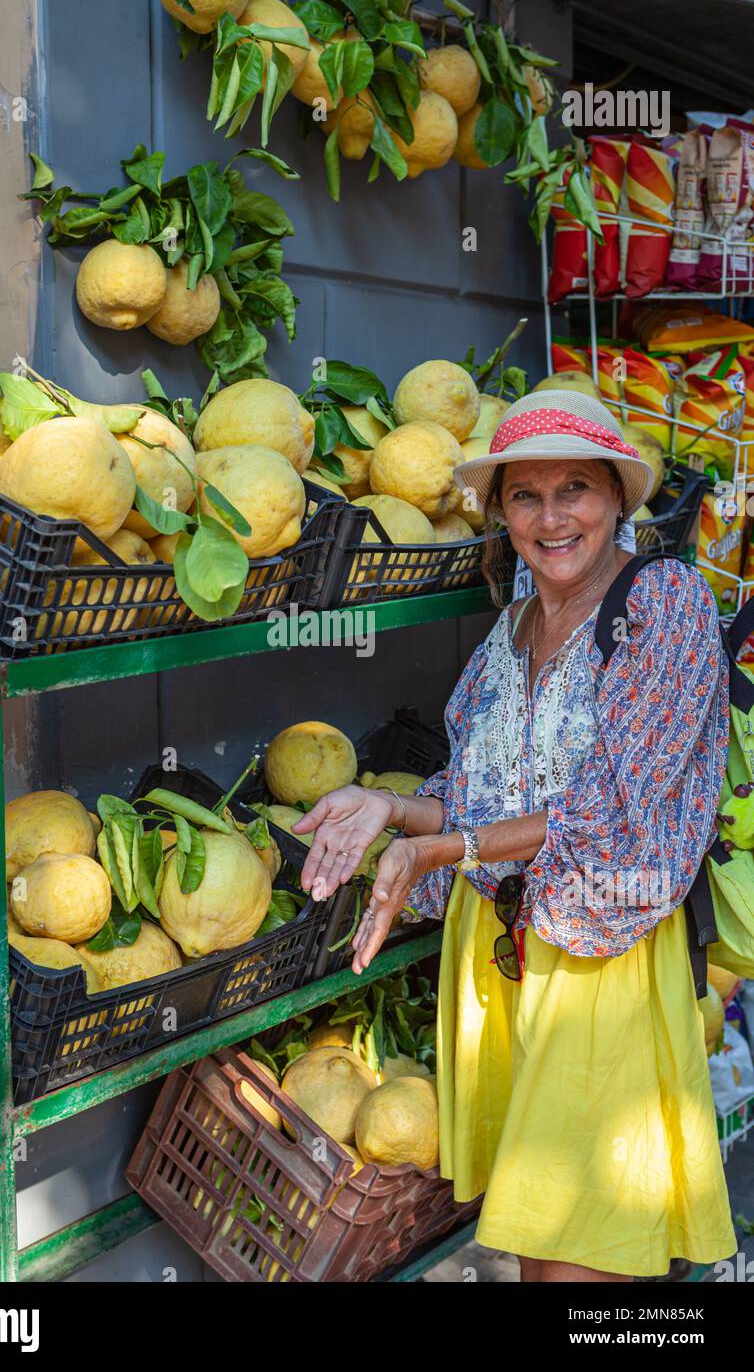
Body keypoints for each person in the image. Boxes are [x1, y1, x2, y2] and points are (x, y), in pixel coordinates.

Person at [294, 389, 736, 1283]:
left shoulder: (666, 606)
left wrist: (444, 848)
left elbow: (613, 813)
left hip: (602, 966)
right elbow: (474, 793)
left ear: (617, 497)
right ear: (500, 514)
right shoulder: (512, 628)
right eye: (525, 497)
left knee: (578, 1263)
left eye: (575, 488)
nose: (552, 516)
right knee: (541, 1248)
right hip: (499, 960)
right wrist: (393, 811)